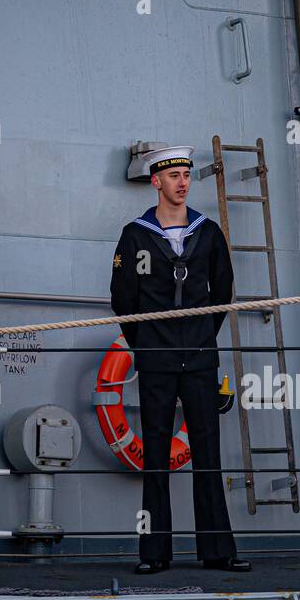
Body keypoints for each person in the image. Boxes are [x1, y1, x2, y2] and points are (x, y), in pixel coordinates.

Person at [110, 145, 250, 575]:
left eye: (186, 174)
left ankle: (217, 550)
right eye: (173, 176)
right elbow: (123, 299)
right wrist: (148, 342)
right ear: (156, 181)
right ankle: (154, 553)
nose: (182, 182)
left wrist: (202, 337)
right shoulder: (135, 235)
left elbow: (222, 292)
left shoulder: (208, 233)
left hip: (200, 355)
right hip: (155, 356)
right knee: (155, 453)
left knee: (208, 452)